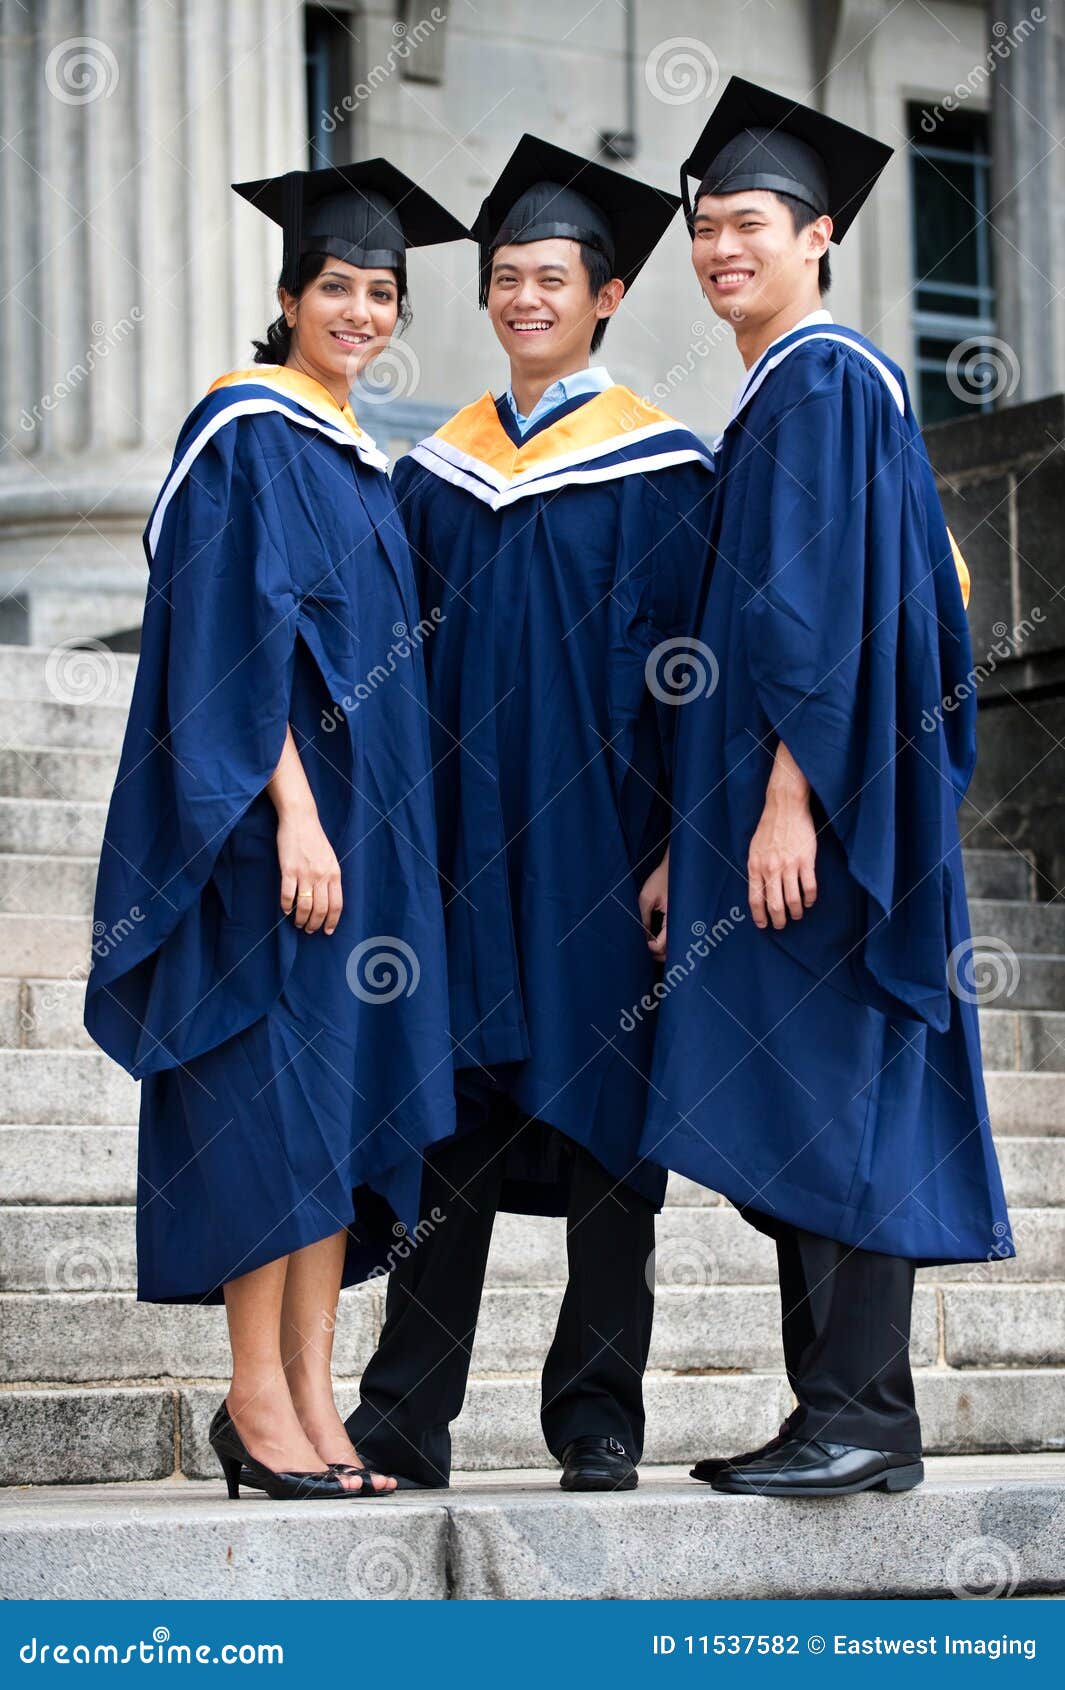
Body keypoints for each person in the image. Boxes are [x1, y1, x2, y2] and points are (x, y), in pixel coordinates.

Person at [636, 78, 1012, 1497]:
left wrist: (791, 795)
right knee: (800, 1091)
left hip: (818, 814)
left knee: (832, 1084)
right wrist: (693, 840)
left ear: (818, 232)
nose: (720, 246)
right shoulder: (788, 390)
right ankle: (846, 1414)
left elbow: (828, 617)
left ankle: (860, 1413)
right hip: (763, 820)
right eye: (705, 227)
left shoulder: (824, 380)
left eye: (748, 224)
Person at [84, 160, 468, 1501]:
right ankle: (255, 1401)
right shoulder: (244, 432)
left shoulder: (357, 461)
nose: (360, 310)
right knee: (269, 1109)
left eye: (380, 292)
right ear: (289, 295)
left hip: (369, 848)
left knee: (336, 1119)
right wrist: (293, 812)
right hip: (272, 843)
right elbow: (234, 645)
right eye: (337, 288)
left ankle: (313, 1397)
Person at [345, 134, 715, 1492]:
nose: (522, 298)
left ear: (605, 295)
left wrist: (685, 839)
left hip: (601, 866)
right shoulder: (436, 475)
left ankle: (599, 1418)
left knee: (612, 1148)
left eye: (550, 277)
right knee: (445, 1128)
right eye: (504, 277)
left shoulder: (664, 475)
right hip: (457, 861)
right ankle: (401, 1413)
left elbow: (702, 682)